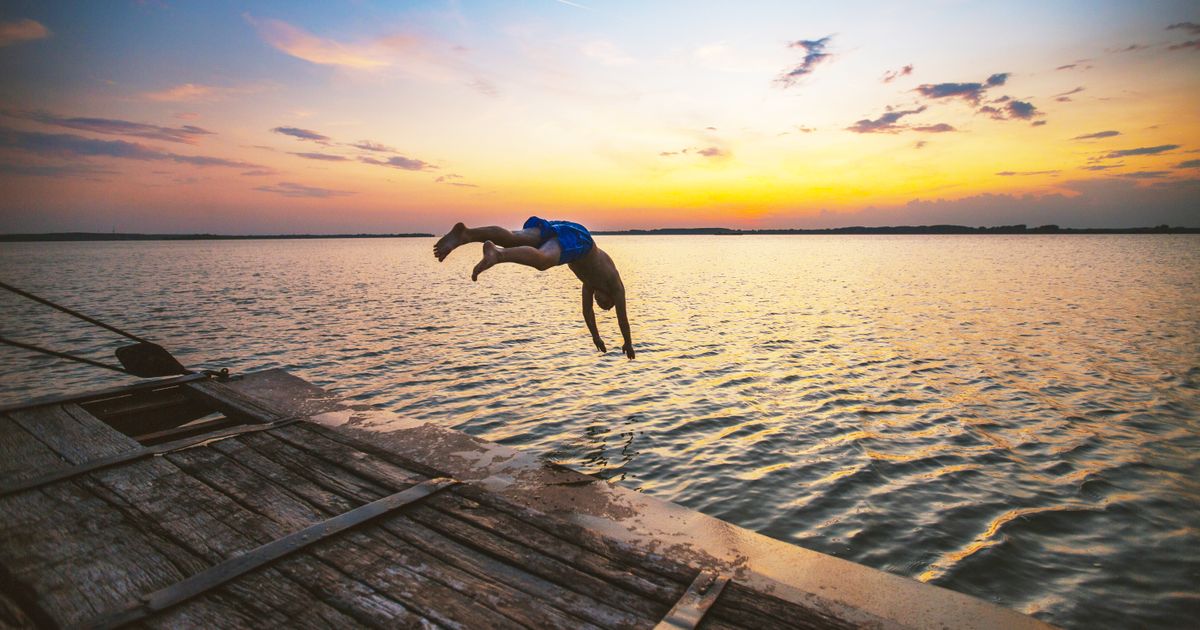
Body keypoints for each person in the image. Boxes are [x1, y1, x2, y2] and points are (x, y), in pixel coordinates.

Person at [434, 217, 635, 359]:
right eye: (604, 303)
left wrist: (595, 336)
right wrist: (628, 342)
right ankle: (498, 254)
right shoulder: (614, 285)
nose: (599, 302)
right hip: (580, 241)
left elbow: (586, 311)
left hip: (568, 228)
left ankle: (466, 234)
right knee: (544, 260)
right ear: (610, 297)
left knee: (513, 238)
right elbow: (622, 317)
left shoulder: (590, 283)